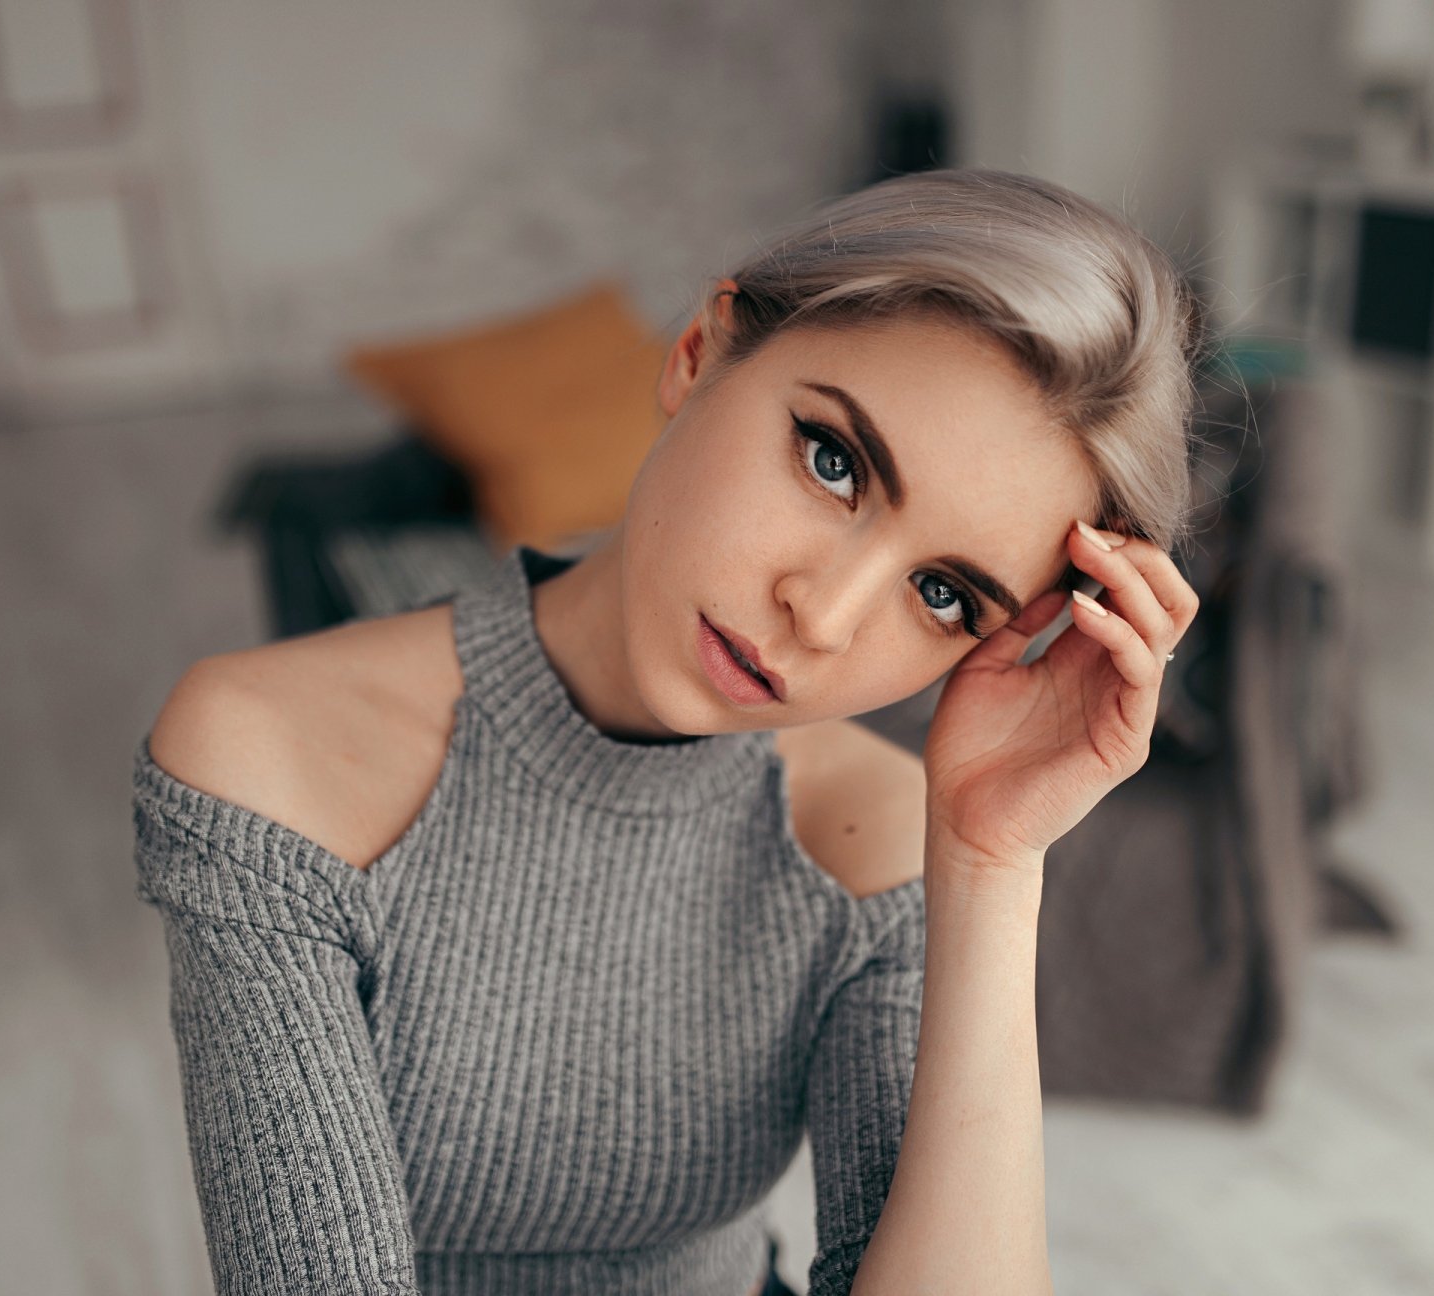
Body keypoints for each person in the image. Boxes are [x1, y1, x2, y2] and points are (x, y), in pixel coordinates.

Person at [131, 166, 1204, 1296]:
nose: (822, 616)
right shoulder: (262, 753)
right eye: (832, 461)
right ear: (701, 348)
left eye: (945, 595)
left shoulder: (869, 838)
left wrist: (992, 866)